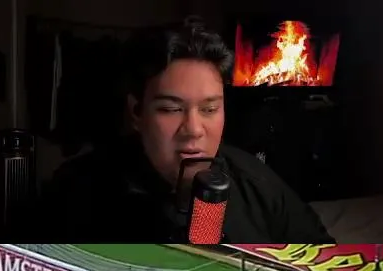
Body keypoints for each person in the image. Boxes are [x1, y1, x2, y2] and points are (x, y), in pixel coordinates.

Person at [30, 17, 334, 244]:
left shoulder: (258, 185)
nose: (193, 130)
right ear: (137, 112)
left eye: (209, 109)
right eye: (171, 109)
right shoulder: (75, 192)